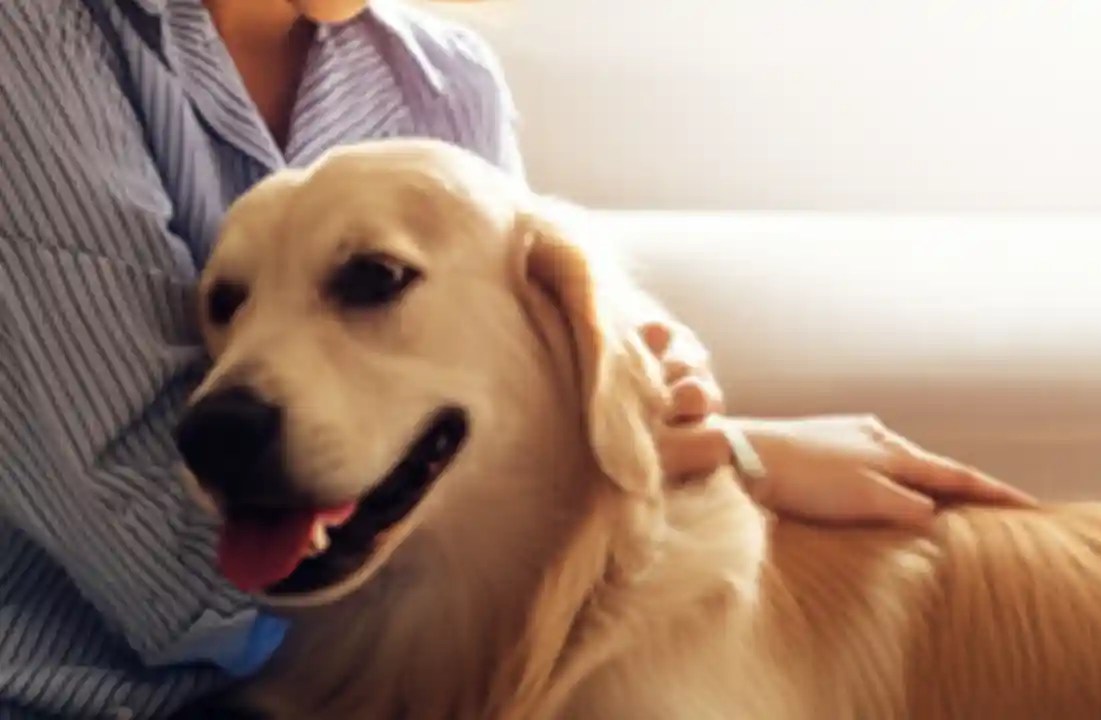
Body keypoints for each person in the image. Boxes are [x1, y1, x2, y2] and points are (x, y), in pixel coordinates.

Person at [0, 1, 1032, 717]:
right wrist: (734, 450)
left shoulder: (444, 81)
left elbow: (517, 443)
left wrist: (641, 400)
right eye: (225, 309)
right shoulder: (26, 45)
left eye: (370, 280)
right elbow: (173, 584)